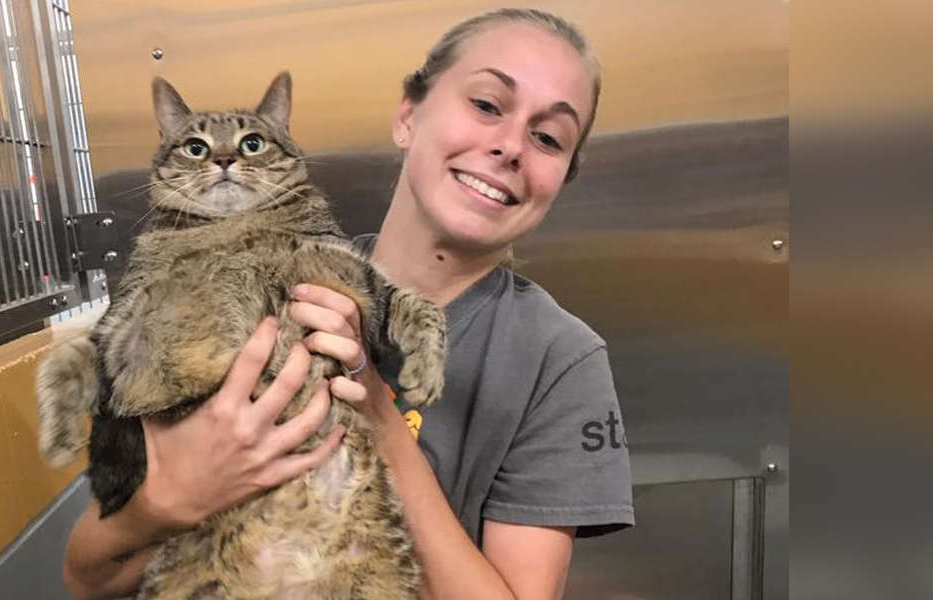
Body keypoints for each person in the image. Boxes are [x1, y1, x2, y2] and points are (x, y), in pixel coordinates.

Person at [62, 8, 633, 600]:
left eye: (548, 138)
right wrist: (167, 504)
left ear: (563, 175)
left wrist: (380, 414)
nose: (511, 147)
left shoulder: (557, 359)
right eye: (487, 105)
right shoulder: (239, 280)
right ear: (408, 116)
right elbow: (86, 579)